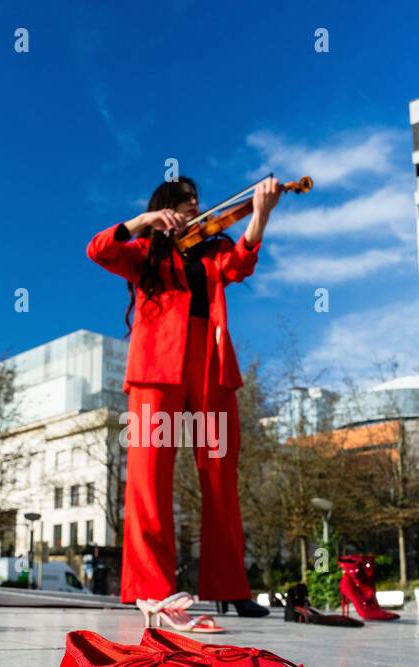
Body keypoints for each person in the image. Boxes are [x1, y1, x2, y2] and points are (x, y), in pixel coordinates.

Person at [87, 175, 280, 616]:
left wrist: (262, 212)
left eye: (196, 200)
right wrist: (144, 221)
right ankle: (150, 588)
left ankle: (230, 588)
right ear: (165, 207)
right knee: (148, 476)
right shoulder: (143, 253)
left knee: (220, 476)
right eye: (184, 200)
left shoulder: (212, 251)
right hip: (156, 368)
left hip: (210, 364)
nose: (195, 205)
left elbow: (241, 264)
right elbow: (98, 249)